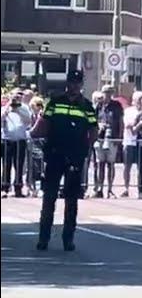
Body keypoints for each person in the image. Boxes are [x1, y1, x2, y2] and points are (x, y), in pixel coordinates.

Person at [31, 69, 98, 250]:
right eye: (72, 82)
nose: (75, 86)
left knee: (71, 200)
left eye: (78, 83)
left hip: (75, 156)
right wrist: (34, 135)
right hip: (55, 154)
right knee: (49, 197)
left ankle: (68, 239)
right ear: (67, 84)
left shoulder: (87, 106)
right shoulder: (55, 102)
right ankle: (43, 238)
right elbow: (44, 123)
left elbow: (93, 130)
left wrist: (86, 149)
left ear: (81, 85)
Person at [2, 89, 33, 197]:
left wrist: (18, 109)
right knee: (6, 164)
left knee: (19, 165)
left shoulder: (24, 108)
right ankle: (4, 187)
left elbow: (28, 120)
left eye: (19, 95)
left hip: (20, 140)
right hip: (7, 139)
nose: (16, 98)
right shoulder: (5, 107)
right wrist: (8, 106)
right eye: (15, 96)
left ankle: (18, 188)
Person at [121, 90, 142, 197]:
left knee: (141, 167)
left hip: (140, 142)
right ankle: (126, 188)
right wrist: (140, 123)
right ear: (134, 100)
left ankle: (140, 189)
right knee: (127, 167)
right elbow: (128, 124)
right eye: (139, 99)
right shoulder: (128, 111)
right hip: (129, 141)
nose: (140, 101)